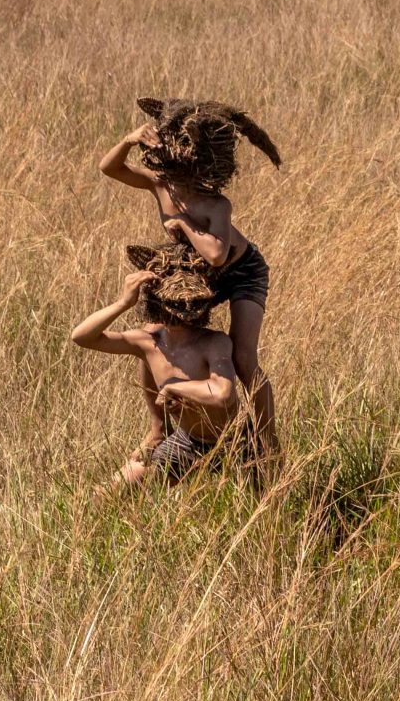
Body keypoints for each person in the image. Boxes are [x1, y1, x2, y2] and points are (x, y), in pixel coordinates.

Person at [99, 97, 281, 460]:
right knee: (153, 337)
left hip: (241, 271)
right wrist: (129, 140)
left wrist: (182, 225)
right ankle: (157, 428)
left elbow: (215, 254)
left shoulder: (216, 204)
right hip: (198, 276)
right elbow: (110, 168)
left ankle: (267, 437)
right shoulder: (160, 184)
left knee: (244, 358)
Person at [69, 243, 241, 487]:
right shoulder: (148, 342)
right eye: (175, 302)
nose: (183, 309)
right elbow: (82, 337)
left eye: (189, 302)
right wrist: (122, 303)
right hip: (188, 440)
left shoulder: (214, 342)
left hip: (233, 440)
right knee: (112, 491)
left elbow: (223, 394)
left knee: (262, 502)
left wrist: (175, 388)